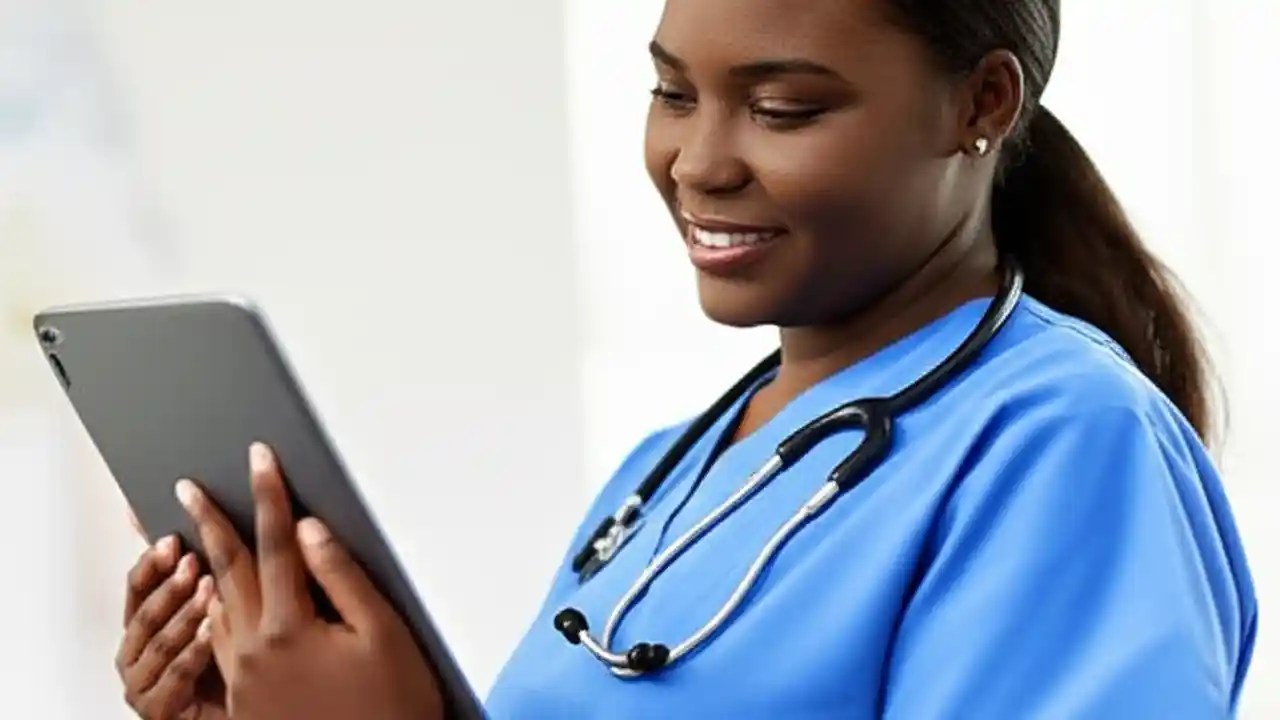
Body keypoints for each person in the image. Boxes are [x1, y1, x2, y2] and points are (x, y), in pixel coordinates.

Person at [113, 0, 1258, 717]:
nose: (697, 161)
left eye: (783, 107)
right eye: (671, 92)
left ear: (982, 102)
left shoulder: (1058, 445)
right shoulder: (668, 481)